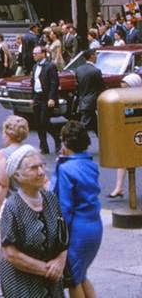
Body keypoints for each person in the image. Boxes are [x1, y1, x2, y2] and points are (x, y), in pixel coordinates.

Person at [0, 145, 67, 298]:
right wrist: (45, 269)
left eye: (42, 166)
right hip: (22, 285)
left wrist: (60, 262)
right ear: (17, 176)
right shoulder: (12, 207)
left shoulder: (50, 199)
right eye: (34, 168)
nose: (41, 172)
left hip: (52, 281)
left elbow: (64, 237)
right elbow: (10, 253)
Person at [53, 121, 102, 298]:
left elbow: (65, 207)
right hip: (94, 226)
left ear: (65, 142)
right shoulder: (90, 164)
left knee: (73, 279)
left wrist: (58, 237)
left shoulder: (66, 169)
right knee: (81, 275)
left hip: (77, 230)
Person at [0, 115, 31, 271]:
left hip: (12, 203)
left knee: (8, 244)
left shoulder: (3, 154)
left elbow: (1, 183)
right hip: (30, 202)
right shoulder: (29, 151)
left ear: (8, 133)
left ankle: (7, 282)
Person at [106, 71, 141, 199]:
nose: (124, 92)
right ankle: (118, 187)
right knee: (123, 159)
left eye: (127, 89)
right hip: (129, 133)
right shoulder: (123, 99)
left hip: (137, 132)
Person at [31, 46, 61, 154]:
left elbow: (54, 83)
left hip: (46, 97)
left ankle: (57, 138)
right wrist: (32, 98)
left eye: (36, 53)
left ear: (43, 54)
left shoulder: (50, 66)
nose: (34, 55)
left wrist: (52, 98)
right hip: (37, 97)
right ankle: (44, 146)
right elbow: (33, 83)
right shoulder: (35, 66)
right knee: (38, 123)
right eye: (33, 53)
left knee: (44, 121)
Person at [74, 49, 103, 135]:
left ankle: (105, 143)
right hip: (91, 102)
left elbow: (78, 86)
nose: (96, 57)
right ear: (91, 56)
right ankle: (75, 144)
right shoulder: (96, 71)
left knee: (96, 126)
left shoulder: (78, 69)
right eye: (95, 55)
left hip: (82, 100)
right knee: (83, 127)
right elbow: (101, 87)